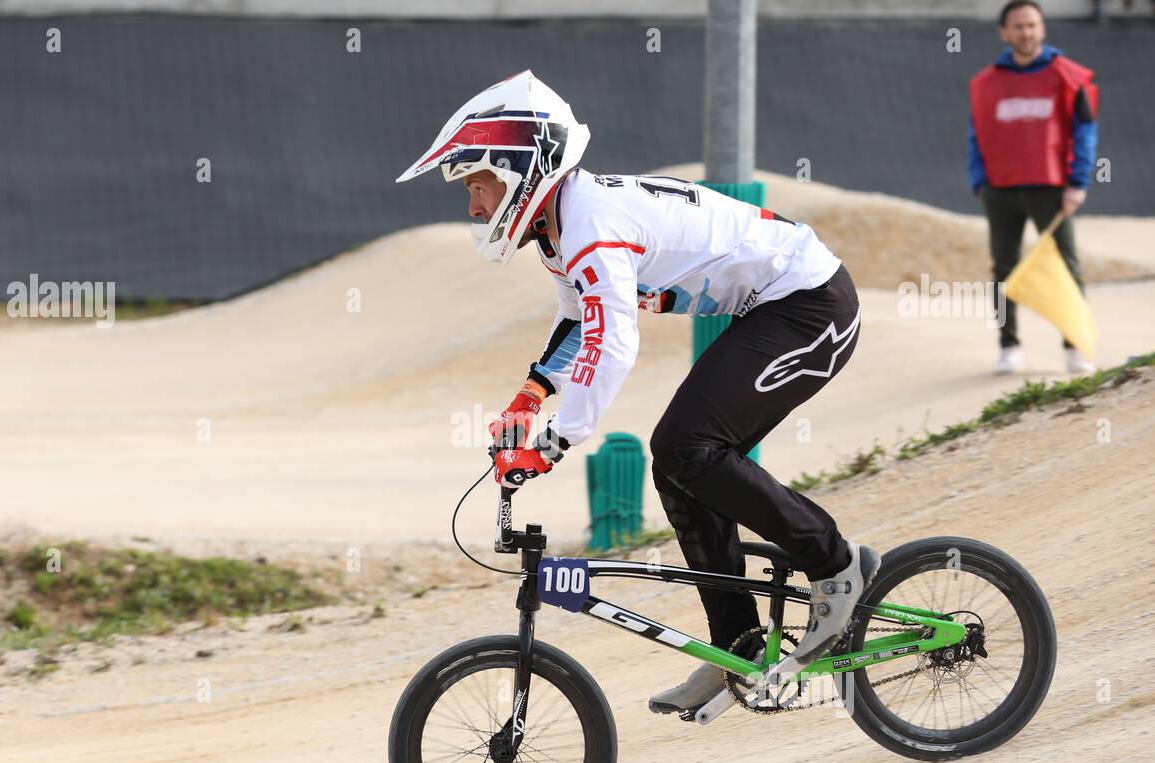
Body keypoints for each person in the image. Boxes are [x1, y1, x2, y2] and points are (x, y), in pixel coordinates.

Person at [396, 70, 880, 715]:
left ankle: (836, 562)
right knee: (682, 465)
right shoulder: (563, 226)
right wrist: (531, 394)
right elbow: (577, 318)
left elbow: (614, 341)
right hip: (772, 309)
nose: (474, 206)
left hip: (809, 305)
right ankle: (735, 646)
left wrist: (557, 440)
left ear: (519, 173)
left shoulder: (591, 226)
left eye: (478, 185)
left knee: (687, 445)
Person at [968, 0, 1099, 376]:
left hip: (1053, 190)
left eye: (1032, 25)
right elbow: (975, 134)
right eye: (1018, 26)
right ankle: (1008, 345)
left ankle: (1076, 346)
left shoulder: (1068, 76)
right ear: (1004, 32)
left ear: (1042, 29)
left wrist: (1078, 182)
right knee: (1003, 269)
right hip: (1001, 190)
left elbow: (1085, 131)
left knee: (1067, 267)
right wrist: (980, 181)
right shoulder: (986, 83)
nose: (1026, 32)